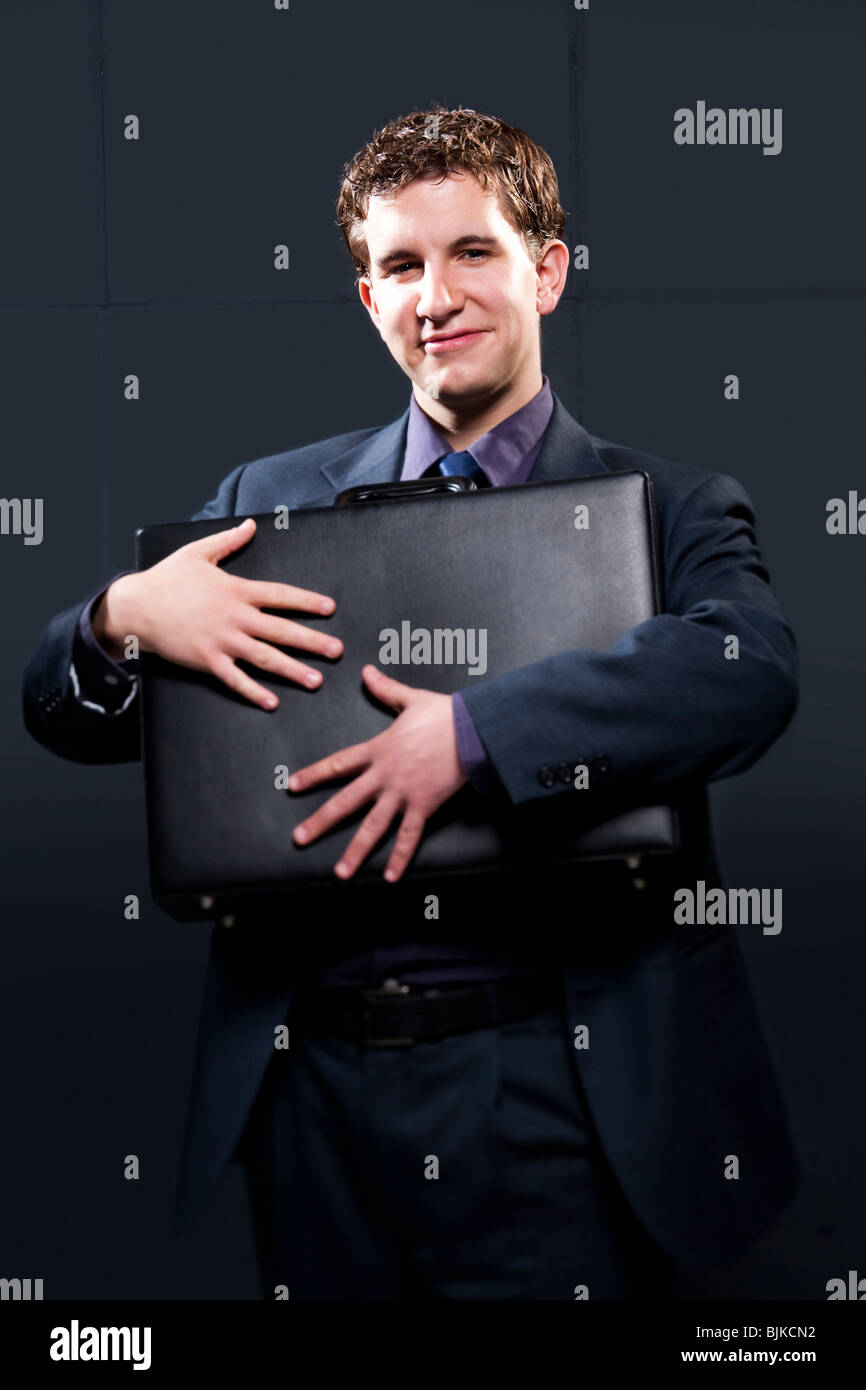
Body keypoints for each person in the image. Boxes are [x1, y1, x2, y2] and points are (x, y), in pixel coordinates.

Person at [22, 105, 800, 1300]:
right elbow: (62, 717)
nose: (432, 294)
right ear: (367, 297)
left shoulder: (666, 503)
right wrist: (123, 615)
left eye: (469, 252)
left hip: (560, 1083)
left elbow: (744, 673)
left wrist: (474, 738)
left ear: (545, 272)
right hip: (313, 1092)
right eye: (398, 265)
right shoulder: (261, 501)